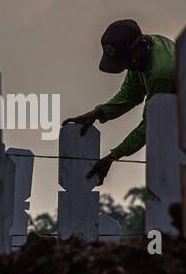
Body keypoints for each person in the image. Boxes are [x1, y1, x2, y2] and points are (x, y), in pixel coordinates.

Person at [62, 19, 176, 185]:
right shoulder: (144, 53)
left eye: (126, 62)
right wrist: (98, 112)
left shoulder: (161, 73)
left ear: (137, 48)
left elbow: (152, 126)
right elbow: (131, 94)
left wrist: (112, 157)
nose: (127, 67)